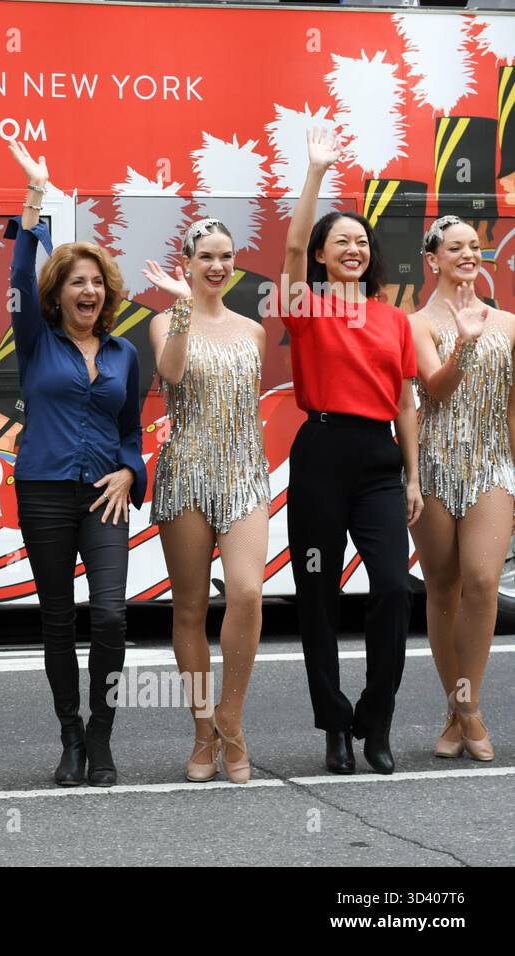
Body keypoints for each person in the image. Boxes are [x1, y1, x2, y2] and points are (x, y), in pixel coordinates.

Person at [280, 128, 423, 776]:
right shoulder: (303, 303)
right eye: (341, 241)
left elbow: (406, 402)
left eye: (361, 242)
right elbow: (288, 247)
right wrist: (315, 175)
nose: (354, 249)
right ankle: (335, 726)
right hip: (321, 454)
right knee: (316, 592)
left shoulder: (395, 318)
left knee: (393, 586)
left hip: (379, 462)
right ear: (321, 254)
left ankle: (377, 717)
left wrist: (414, 475)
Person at [5, 141, 147, 787]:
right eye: (75, 282)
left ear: (105, 292)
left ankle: (102, 735)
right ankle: (68, 735)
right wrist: (35, 197)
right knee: (58, 617)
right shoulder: (36, 343)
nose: (87, 289)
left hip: (104, 496)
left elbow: (129, 430)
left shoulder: (123, 353)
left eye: (95, 281)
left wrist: (129, 470)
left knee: (112, 613)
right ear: (56, 296)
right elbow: (17, 275)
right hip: (42, 491)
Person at [144, 219, 270, 785]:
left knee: (246, 592)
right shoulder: (163, 322)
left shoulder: (253, 331)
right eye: (206, 258)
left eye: (225, 256)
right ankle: (202, 732)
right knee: (190, 609)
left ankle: (232, 720)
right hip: (185, 476)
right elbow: (171, 374)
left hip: (243, 475)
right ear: (187, 262)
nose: (217, 267)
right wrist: (181, 312)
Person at [409, 215, 514, 762]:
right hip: (433, 470)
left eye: (475, 246)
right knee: (443, 588)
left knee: (481, 581)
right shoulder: (417, 324)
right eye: (456, 247)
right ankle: (461, 710)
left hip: (493, 467)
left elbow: (514, 407)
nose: (469, 254)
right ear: (434, 259)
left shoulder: (510, 323)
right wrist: (466, 345)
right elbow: (436, 388)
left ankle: (466, 708)